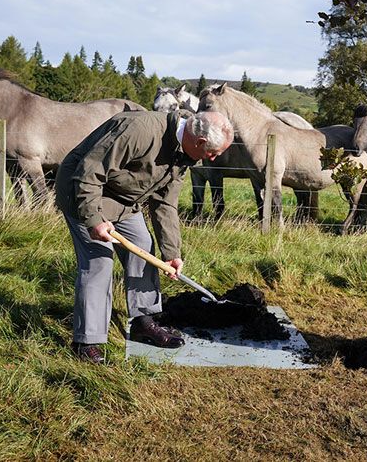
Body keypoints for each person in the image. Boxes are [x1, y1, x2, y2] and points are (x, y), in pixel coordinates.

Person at [55, 109, 234, 364]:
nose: (213, 159)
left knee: (143, 246)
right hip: (83, 193)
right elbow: (89, 172)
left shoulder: (184, 154)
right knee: (99, 262)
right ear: (200, 142)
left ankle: (143, 321)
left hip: (124, 201)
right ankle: (87, 341)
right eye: (212, 153)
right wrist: (94, 220)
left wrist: (171, 253)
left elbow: (165, 204)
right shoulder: (140, 131)